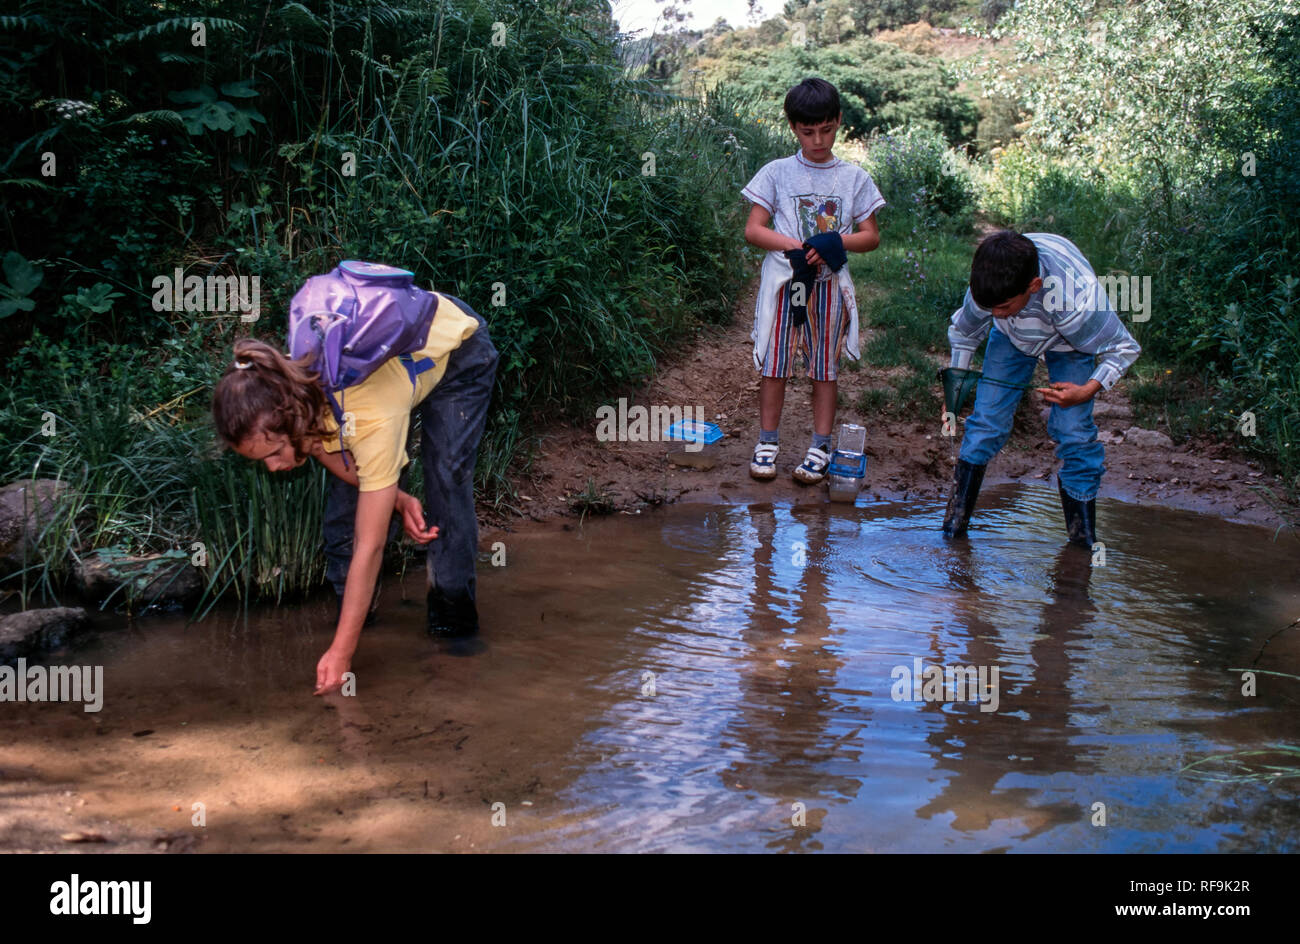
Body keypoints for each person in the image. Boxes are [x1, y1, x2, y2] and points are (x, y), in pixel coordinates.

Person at [211, 290, 498, 695]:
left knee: (445, 479)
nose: (274, 468)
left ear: (290, 422)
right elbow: (321, 442)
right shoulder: (297, 384)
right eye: (264, 461)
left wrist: (341, 655)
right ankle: (364, 620)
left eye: (274, 453)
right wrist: (394, 497)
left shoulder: (369, 414)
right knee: (352, 507)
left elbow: (371, 545)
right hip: (393, 374)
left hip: (458, 348)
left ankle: (454, 632)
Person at [942, 229, 1141, 546]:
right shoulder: (990, 287)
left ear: (1033, 287)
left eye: (1003, 306)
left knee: (1073, 431)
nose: (994, 314)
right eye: (988, 307)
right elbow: (965, 333)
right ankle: (953, 529)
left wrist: (1087, 390)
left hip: (1070, 342)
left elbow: (1124, 349)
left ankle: (1082, 545)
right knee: (986, 423)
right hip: (1011, 338)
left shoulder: (1077, 301)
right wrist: (954, 391)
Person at [741, 77, 883, 484]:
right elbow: (754, 229)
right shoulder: (777, 173)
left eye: (827, 129)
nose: (818, 140)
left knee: (824, 365)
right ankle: (767, 443)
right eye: (808, 132)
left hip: (829, 287)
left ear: (839, 121)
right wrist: (799, 246)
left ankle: (820, 445)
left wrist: (835, 241)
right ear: (793, 128)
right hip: (790, 283)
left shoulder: (855, 178)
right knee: (776, 362)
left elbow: (870, 236)